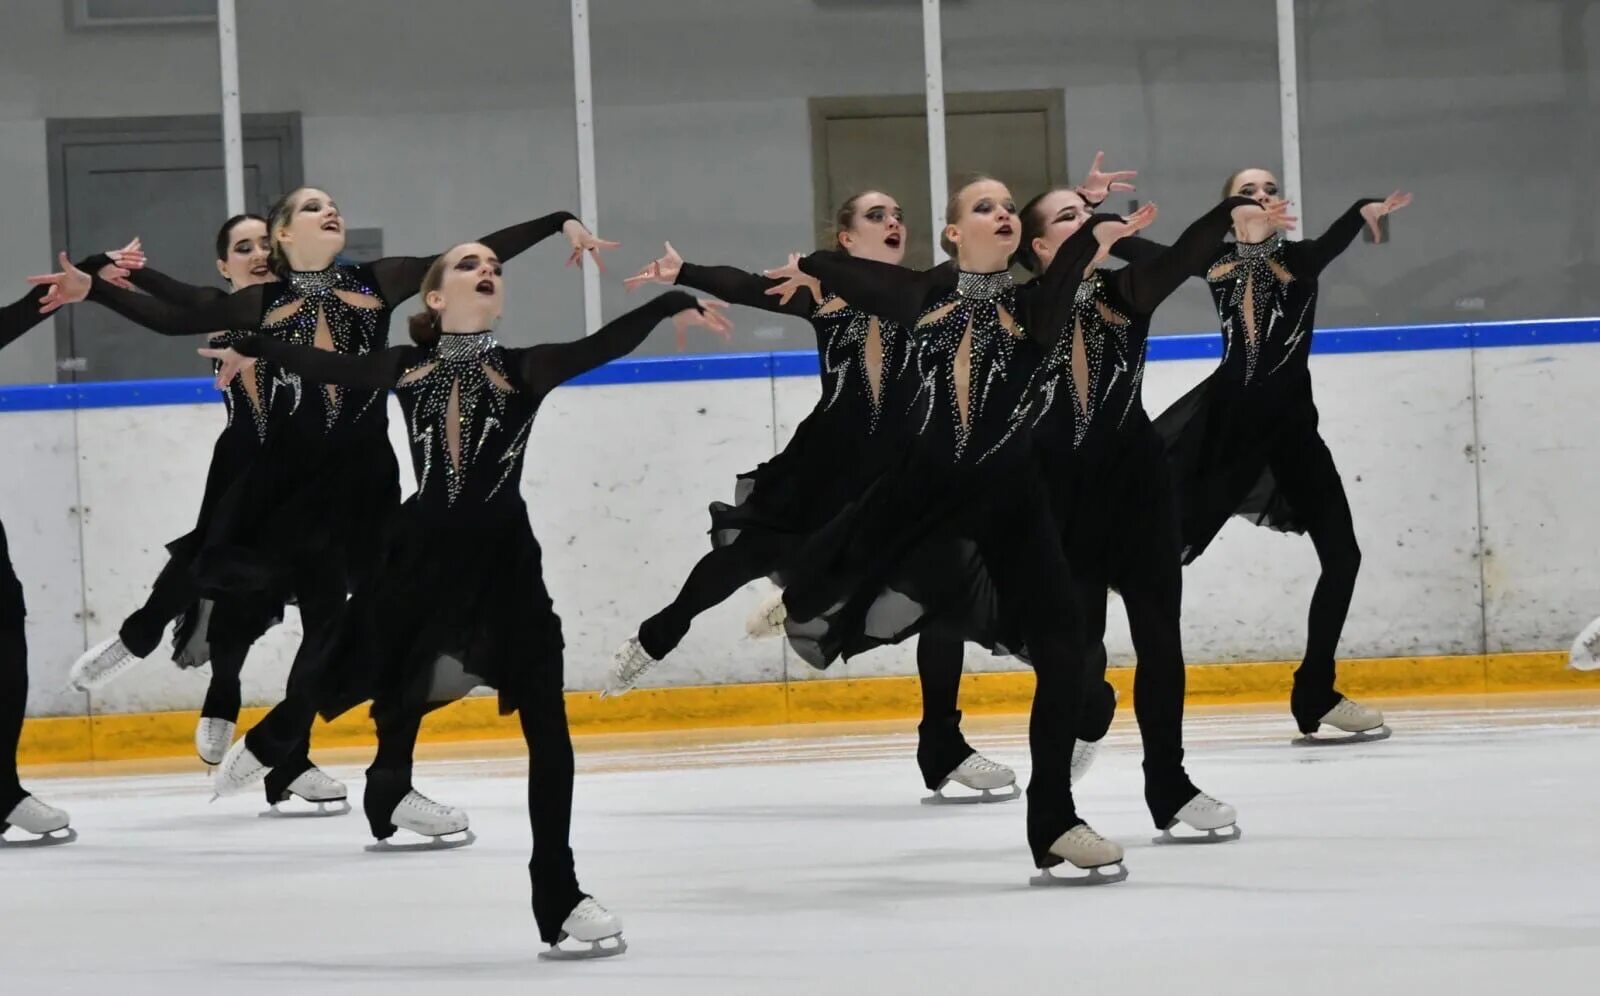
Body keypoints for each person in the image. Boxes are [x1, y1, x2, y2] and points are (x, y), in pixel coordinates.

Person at [200, 241, 728, 958]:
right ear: (436, 300)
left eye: (496, 268)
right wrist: (255, 343)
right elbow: (325, 364)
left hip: (505, 564)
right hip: (419, 553)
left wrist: (672, 300)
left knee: (547, 720)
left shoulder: (524, 368)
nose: (488, 271)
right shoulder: (402, 366)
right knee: (355, 653)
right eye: (469, 265)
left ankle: (559, 891)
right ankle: (279, 734)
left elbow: (603, 342)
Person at [773, 176, 1152, 881]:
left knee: (1068, 651)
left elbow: (1067, 268)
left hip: (1014, 501)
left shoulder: (1035, 303)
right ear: (954, 233)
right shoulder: (921, 296)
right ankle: (810, 589)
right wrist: (812, 266)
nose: (1003, 213)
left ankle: (1053, 821)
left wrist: (1097, 233)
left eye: (1010, 207)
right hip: (932, 491)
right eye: (985, 207)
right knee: (875, 573)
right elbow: (845, 272)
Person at [1111, 169, 1411, 744]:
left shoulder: (1299, 259)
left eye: (1270, 189)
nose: (1262, 197)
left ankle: (1315, 690)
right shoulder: (1213, 260)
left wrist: (1364, 208)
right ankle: (1080, 652)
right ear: (1227, 208)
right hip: (1227, 432)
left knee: (1343, 557)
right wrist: (1090, 207)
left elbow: (1342, 230)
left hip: (1295, 433)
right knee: (1156, 550)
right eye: (1247, 192)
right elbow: (1127, 246)